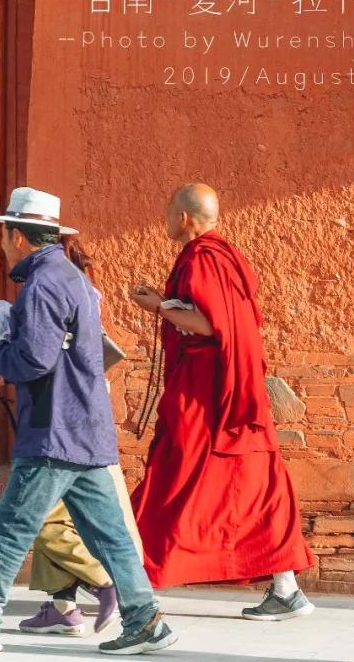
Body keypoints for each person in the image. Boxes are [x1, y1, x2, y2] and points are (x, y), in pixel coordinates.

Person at [0, 187, 175, 657]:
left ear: (18, 237)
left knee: (10, 526)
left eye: (5, 235)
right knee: (110, 535)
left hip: (54, 430)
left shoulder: (42, 283)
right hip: (84, 427)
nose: (2, 243)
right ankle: (145, 620)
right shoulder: (70, 277)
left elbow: (35, 359)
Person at [129, 182, 314, 620]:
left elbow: (210, 324)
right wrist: (167, 303)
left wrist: (158, 307)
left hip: (208, 394)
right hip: (232, 392)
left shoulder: (203, 258)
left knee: (175, 476)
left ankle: (129, 576)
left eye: (170, 210)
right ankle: (286, 588)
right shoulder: (220, 255)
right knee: (256, 487)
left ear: (185, 219)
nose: (166, 217)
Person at [20, 237, 138, 638]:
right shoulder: (82, 288)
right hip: (80, 416)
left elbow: (40, 356)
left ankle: (105, 583)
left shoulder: (53, 288)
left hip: (64, 418)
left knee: (38, 513)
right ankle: (63, 607)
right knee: (61, 511)